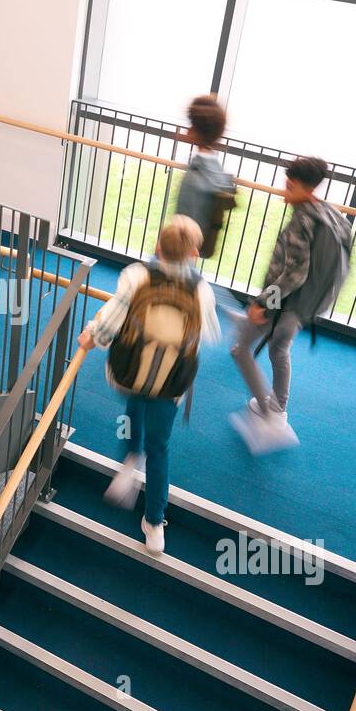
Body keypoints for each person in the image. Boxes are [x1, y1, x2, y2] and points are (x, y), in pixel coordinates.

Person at [78, 216, 219, 554]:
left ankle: (129, 458)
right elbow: (205, 337)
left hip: (130, 374)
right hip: (169, 384)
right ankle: (154, 522)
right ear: (194, 254)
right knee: (161, 448)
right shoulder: (201, 291)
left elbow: (113, 318)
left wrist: (92, 337)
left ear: (158, 247)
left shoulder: (136, 276)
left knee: (132, 410)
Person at [229, 155, 351, 455]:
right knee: (278, 348)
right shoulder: (332, 216)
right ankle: (278, 406)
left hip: (283, 304)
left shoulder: (302, 221)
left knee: (240, 350)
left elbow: (293, 273)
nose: (284, 191)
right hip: (304, 308)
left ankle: (270, 422)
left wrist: (262, 303)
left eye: (289, 186)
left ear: (304, 190)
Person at [172, 94, 236, 261]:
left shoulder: (196, 176)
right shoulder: (216, 170)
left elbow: (183, 229)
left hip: (179, 252)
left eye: (190, 125)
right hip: (193, 251)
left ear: (195, 131)